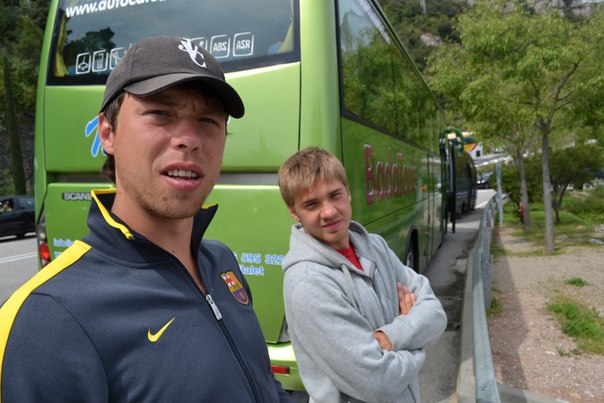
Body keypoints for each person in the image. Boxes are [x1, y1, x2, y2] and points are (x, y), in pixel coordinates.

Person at [0, 36, 291, 402]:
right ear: (108, 133)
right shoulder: (46, 318)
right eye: (161, 114)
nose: (189, 139)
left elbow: (264, 385)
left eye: (208, 120)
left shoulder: (221, 263)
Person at [277, 147, 447, 402]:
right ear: (294, 211)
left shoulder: (376, 247)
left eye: (335, 195)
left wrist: (390, 337)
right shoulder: (308, 284)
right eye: (312, 204)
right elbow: (379, 383)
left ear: (348, 193)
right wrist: (418, 342)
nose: (329, 212)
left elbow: (436, 313)